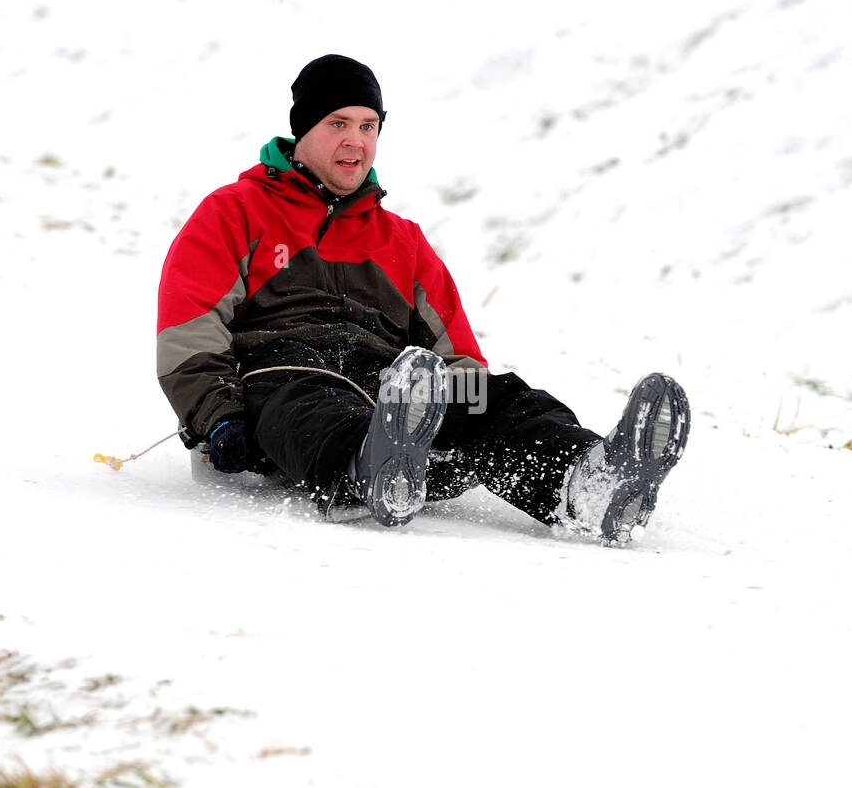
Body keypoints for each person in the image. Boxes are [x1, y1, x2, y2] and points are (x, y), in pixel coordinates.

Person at [156, 54, 690, 544]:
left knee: (492, 395)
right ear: (303, 132)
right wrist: (218, 417)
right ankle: (366, 470)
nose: (355, 142)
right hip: (282, 372)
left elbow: (456, 352)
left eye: (368, 127)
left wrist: (466, 411)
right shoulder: (235, 212)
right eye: (337, 124)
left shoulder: (401, 239)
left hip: (392, 389)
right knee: (302, 403)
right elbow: (189, 330)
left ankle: (587, 482)